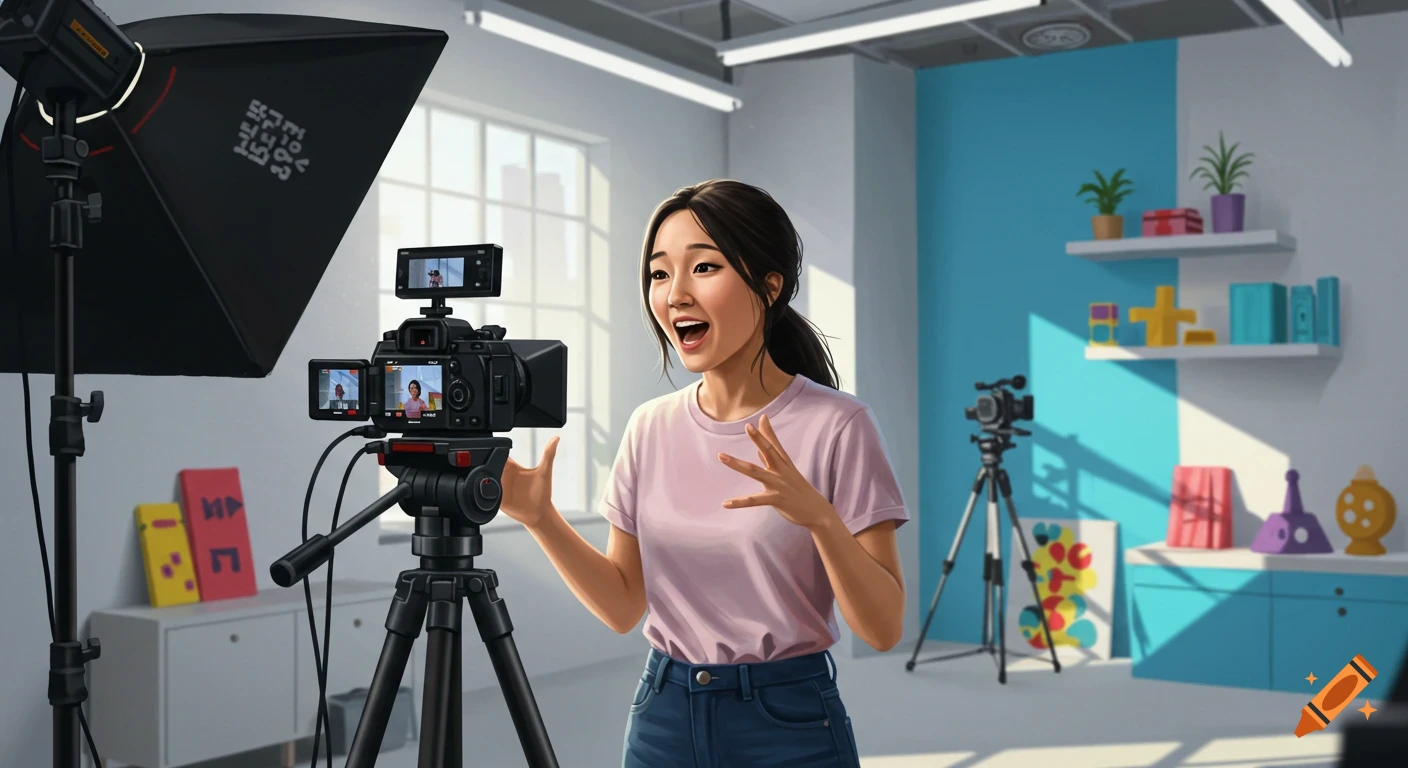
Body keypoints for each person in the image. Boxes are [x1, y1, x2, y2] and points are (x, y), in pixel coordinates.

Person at [499, 179, 908, 767]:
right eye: (659, 274)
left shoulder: (839, 425)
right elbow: (622, 606)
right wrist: (541, 519)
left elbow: (884, 629)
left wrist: (820, 519)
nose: (675, 295)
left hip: (787, 720)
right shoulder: (650, 426)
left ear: (770, 286)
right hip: (663, 715)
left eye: (704, 267)